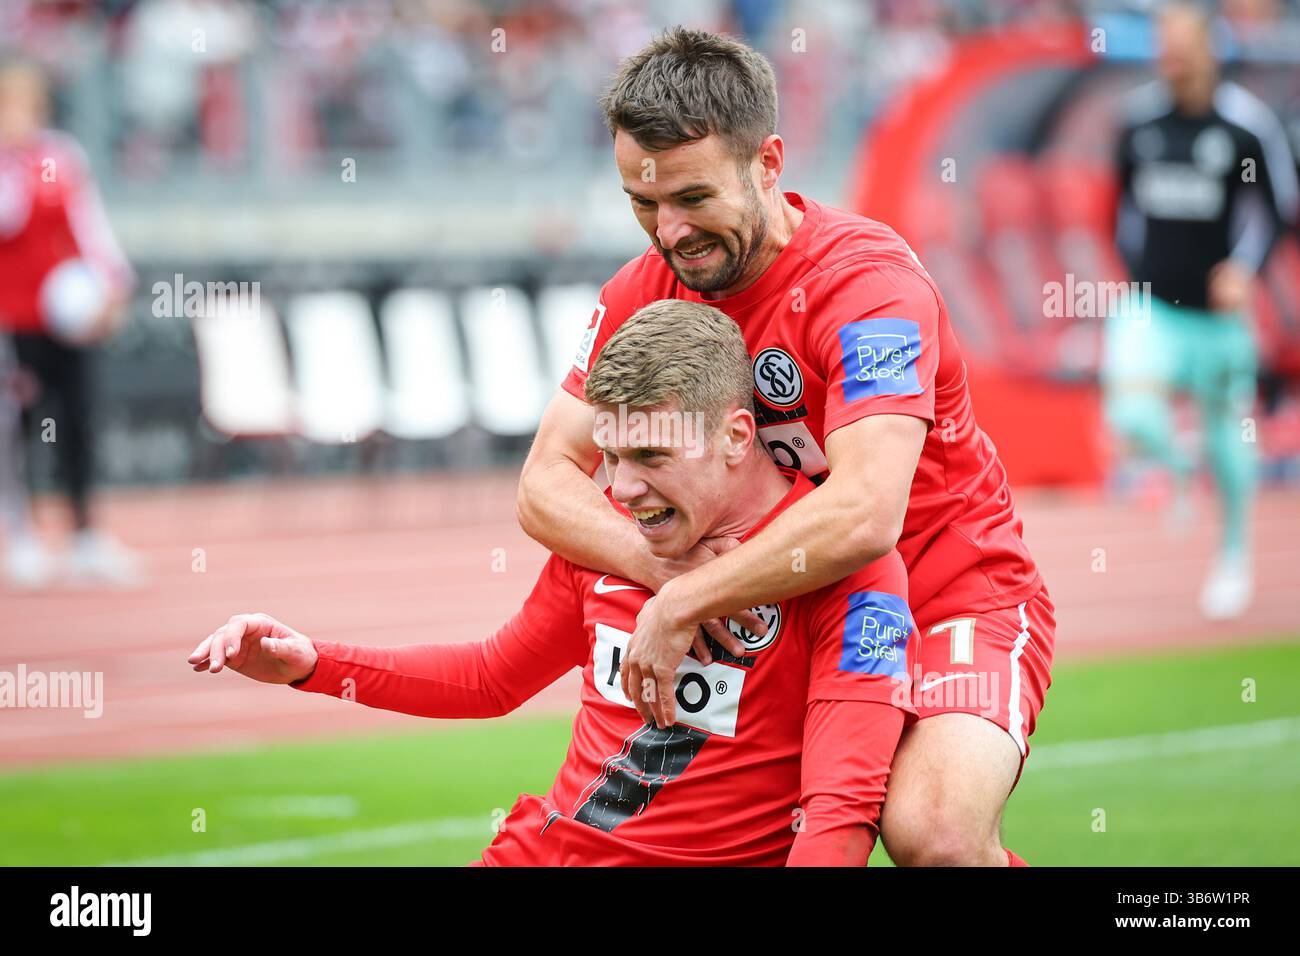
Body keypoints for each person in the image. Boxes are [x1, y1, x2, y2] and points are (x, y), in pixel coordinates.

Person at [516, 27, 1053, 867]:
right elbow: (544, 481)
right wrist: (666, 575)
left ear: (768, 162)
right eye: (642, 203)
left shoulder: (866, 287)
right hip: (796, 616)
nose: (669, 232)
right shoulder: (642, 290)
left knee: (936, 836)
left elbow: (866, 513)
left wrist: (688, 601)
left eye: (694, 197)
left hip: (953, 594)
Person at [187, 300, 917, 867]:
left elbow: (838, 814)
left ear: (734, 437)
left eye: (650, 456)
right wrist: (313, 664)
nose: (623, 489)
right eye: (608, 456)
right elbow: (487, 680)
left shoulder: (842, 573)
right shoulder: (612, 538)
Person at [1107, 2, 1298, 620]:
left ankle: (1234, 554)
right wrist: (1134, 271)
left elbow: (1278, 208)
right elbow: (1120, 206)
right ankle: (1177, 467)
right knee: (1131, 413)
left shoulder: (1245, 127)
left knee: (1230, 441)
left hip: (1219, 321)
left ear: (1209, 47)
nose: (1173, 53)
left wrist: (1244, 269)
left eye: (1183, 41)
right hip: (1154, 307)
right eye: (1165, 41)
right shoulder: (1139, 122)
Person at [0, 57, 138, 587]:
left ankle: (85, 535)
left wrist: (113, 285)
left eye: (26, 104)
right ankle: (23, 536)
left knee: (77, 421)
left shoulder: (61, 156)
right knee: (21, 431)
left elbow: (89, 225)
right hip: (15, 323)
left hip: (68, 321)